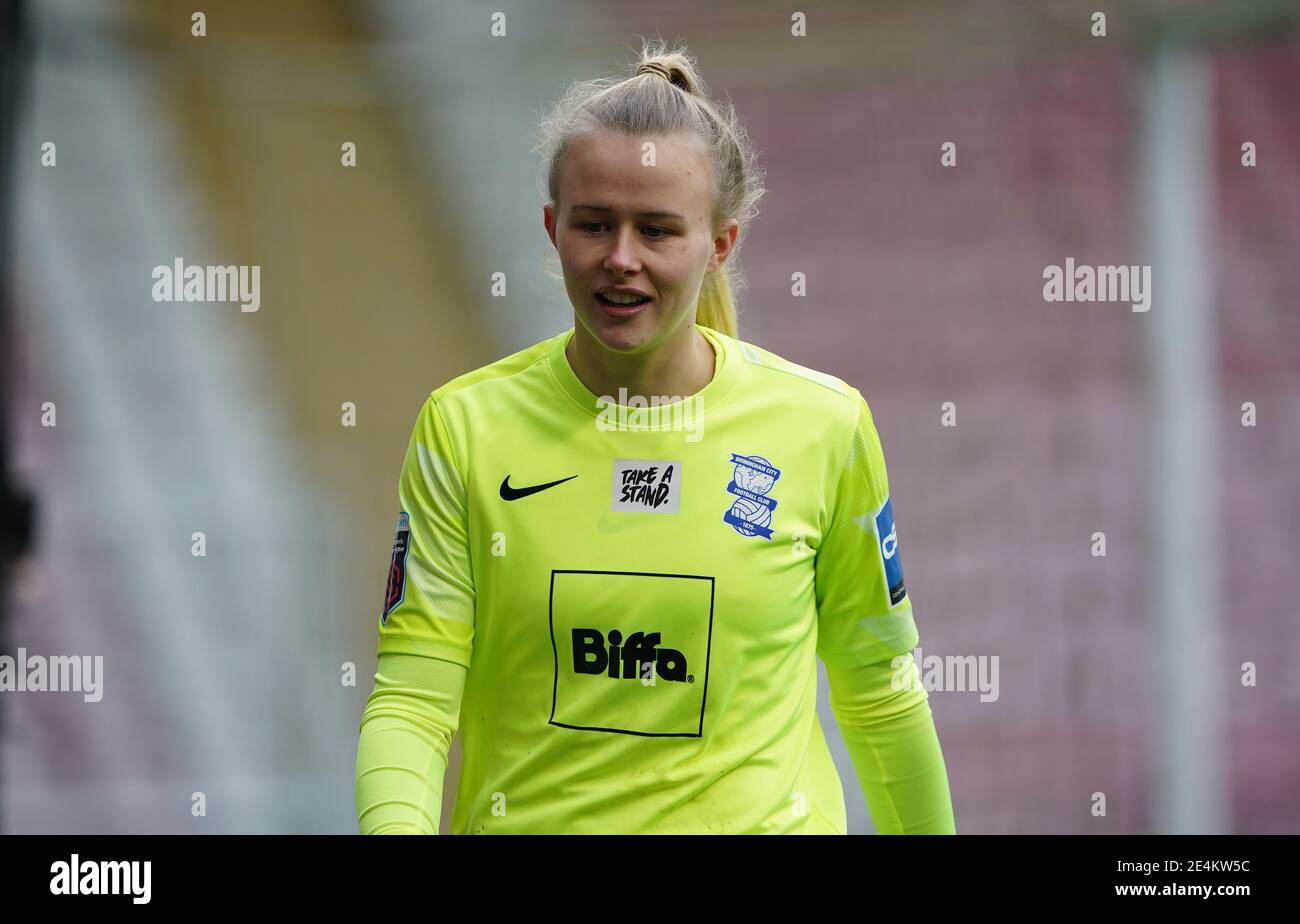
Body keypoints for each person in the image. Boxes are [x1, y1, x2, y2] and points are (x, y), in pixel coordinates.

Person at [354, 39, 955, 834]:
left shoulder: (824, 426)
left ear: (719, 245)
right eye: (595, 225)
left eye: (659, 231)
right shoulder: (465, 428)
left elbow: (879, 694)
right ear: (551, 228)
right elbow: (413, 701)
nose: (621, 261)